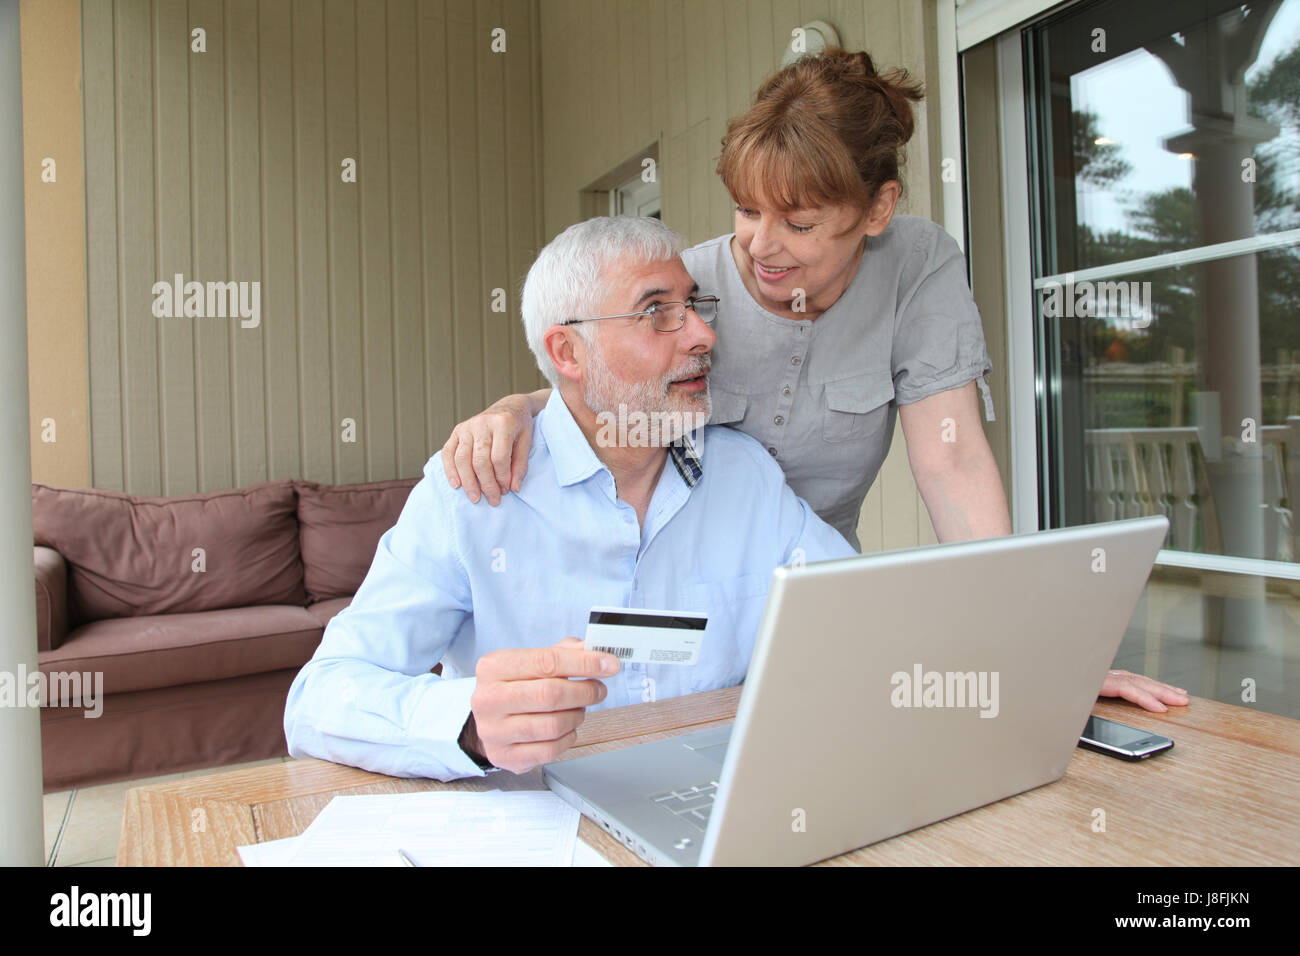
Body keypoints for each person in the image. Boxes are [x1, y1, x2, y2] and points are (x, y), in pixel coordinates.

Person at [440, 48, 1190, 717]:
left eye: (798, 223)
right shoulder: (690, 287)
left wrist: (1031, 655)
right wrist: (515, 404)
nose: (762, 247)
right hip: (689, 597)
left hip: (817, 587)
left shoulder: (918, 266)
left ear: (877, 210)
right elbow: (599, 382)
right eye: (746, 210)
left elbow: (952, 462)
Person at [282, 216, 856, 781]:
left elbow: (859, 621)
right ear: (568, 353)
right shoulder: (474, 492)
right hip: (543, 825)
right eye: (657, 313)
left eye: (696, 305)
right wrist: (467, 727)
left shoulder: (743, 474)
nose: (702, 334)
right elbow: (320, 698)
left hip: (720, 808)